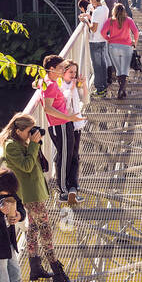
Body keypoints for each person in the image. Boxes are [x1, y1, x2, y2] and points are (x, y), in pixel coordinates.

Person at [0, 113, 75, 282]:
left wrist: (34, 143)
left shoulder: (19, 141)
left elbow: (34, 162)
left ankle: (35, 268)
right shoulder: (11, 146)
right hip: (30, 195)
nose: (31, 133)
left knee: (33, 228)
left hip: (34, 191)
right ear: (18, 131)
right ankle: (57, 271)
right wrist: (33, 144)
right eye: (28, 131)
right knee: (46, 231)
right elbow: (26, 166)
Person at [36, 54, 85, 205]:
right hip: (60, 126)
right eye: (61, 68)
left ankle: (70, 188)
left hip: (65, 125)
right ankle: (63, 192)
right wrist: (69, 118)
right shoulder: (50, 84)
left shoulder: (49, 81)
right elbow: (48, 109)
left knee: (69, 156)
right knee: (64, 158)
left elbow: (38, 84)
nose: (63, 70)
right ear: (51, 69)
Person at [59, 59, 87, 203]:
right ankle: (66, 188)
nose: (73, 75)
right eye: (70, 72)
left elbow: (85, 100)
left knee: (75, 156)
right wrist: (72, 89)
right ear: (62, 72)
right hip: (65, 124)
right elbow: (63, 102)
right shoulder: (60, 85)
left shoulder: (74, 85)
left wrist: (83, 85)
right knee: (66, 157)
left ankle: (73, 189)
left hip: (76, 124)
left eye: (75, 72)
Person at [103, 3, 139, 99]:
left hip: (113, 47)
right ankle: (121, 89)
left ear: (113, 11)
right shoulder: (128, 20)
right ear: (124, 11)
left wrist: (108, 38)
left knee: (119, 69)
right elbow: (135, 32)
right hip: (126, 47)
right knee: (125, 70)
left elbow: (102, 32)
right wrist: (135, 42)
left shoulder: (110, 21)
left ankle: (122, 90)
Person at [87, 0, 111, 96]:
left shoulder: (96, 12)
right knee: (102, 64)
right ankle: (104, 85)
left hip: (95, 41)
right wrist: (91, 16)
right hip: (103, 39)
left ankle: (99, 88)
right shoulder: (105, 8)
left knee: (97, 66)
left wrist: (86, 21)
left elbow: (93, 28)